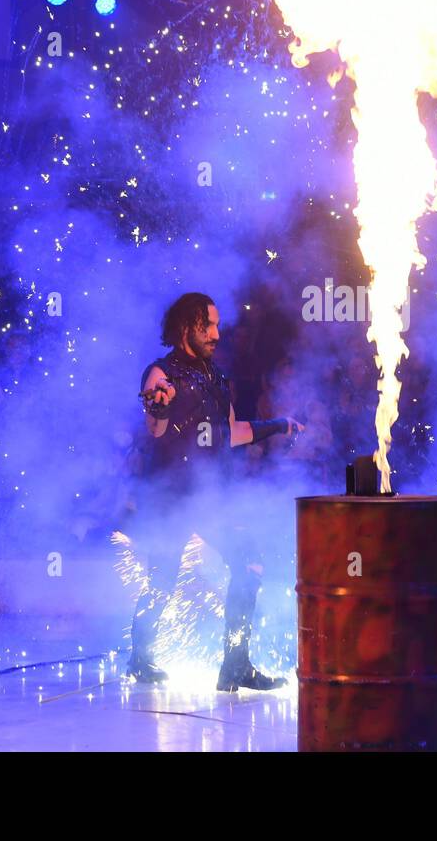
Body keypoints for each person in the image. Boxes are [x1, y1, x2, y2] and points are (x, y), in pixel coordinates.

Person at [127, 292, 303, 692]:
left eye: (217, 325)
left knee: (249, 565)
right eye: (209, 325)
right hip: (173, 496)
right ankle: (139, 659)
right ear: (187, 326)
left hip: (211, 497)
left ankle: (235, 666)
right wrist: (158, 407)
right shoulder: (160, 374)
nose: (216, 334)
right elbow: (155, 429)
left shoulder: (216, 376)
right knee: (162, 579)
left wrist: (277, 424)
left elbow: (232, 433)